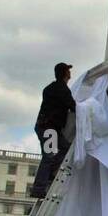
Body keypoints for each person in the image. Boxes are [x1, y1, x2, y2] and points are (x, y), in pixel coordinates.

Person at [31, 62, 75, 198]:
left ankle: (49, 175)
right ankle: (39, 188)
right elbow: (73, 106)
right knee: (49, 156)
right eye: (68, 70)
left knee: (65, 148)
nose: (70, 72)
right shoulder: (62, 89)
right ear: (65, 73)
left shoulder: (50, 88)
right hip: (49, 128)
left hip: (48, 127)